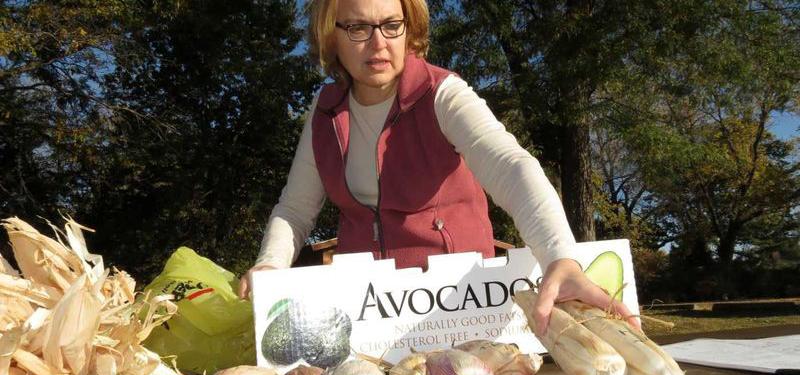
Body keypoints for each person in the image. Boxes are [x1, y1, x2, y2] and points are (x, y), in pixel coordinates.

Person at [239, 0, 640, 336]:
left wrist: (559, 256)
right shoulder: (323, 112)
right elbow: (294, 210)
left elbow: (512, 167)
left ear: (409, 28)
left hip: (462, 312)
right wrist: (271, 264)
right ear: (332, 36)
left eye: (391, 25)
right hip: (367, 321)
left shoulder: (444, 93)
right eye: (358, 28)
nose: (378, 43)